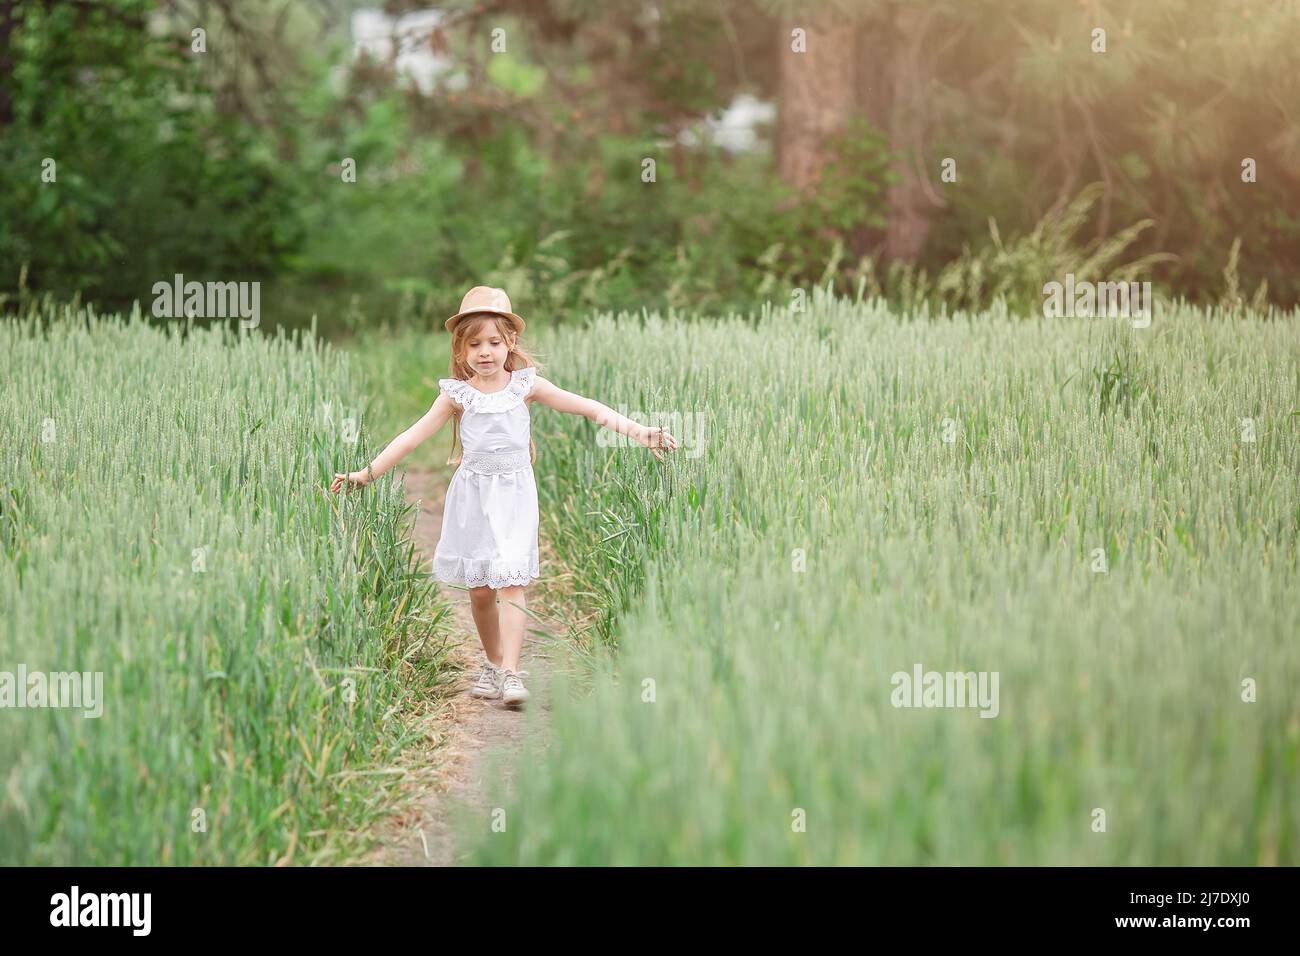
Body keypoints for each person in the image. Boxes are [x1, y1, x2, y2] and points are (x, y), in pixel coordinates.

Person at [331, 286, 677, 707]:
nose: (485, 352)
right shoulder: (457, 395)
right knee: (480, 589)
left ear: (510, 342)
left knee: (512, 581)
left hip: (515, 494)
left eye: (494, 342)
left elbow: (588, 407)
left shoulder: (525, 387)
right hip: (472, 496)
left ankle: (512, 673)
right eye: (474, 344)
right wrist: (366, 473)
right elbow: (411, 437)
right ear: (460, 350)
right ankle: (493, 664)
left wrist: (640, 432)